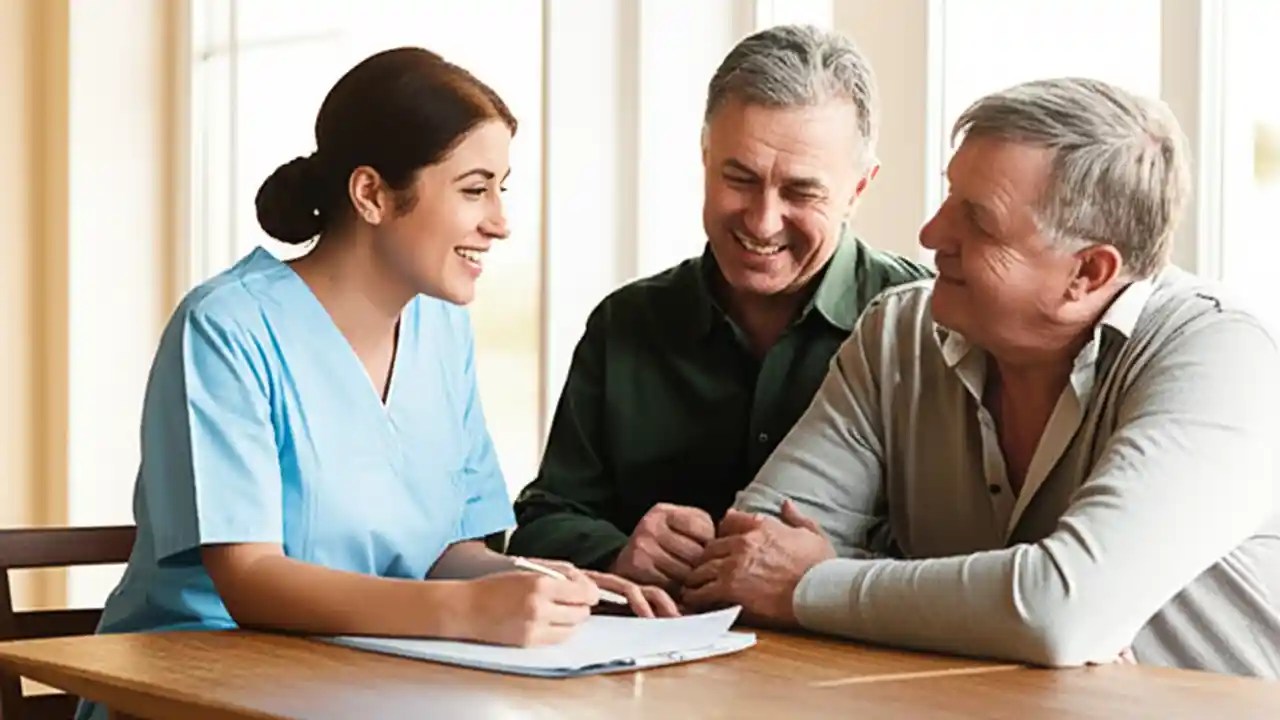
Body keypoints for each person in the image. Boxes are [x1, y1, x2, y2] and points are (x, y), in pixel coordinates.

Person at [78, 46, 676, 720]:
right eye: (475, 189)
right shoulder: (226, 328)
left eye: (502, 189)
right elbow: (249, 579)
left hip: (366, 679)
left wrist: (541, 583)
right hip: (196, 688)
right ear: (371, 194)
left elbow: (450, 553)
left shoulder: (441, 333)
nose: (500, 221)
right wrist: (466, 609)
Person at [682, 76, 1280, 679]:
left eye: (978, 220)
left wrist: (812, 585)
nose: (931, 236)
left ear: (1089, 274)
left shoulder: (1222, 356)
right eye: (948, 198)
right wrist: (996, 607)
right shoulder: (898, 334)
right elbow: (748, 558)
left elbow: (1059, 611)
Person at [506, 25, 931, 588]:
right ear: (704, 157)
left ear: (858, 188)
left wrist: (835, 573)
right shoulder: (626, 323)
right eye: (739, 178)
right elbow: (540, 523)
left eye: (801, 192)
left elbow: (970, 552)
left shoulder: (925, 327)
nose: (761, 220)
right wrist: (617, 552)